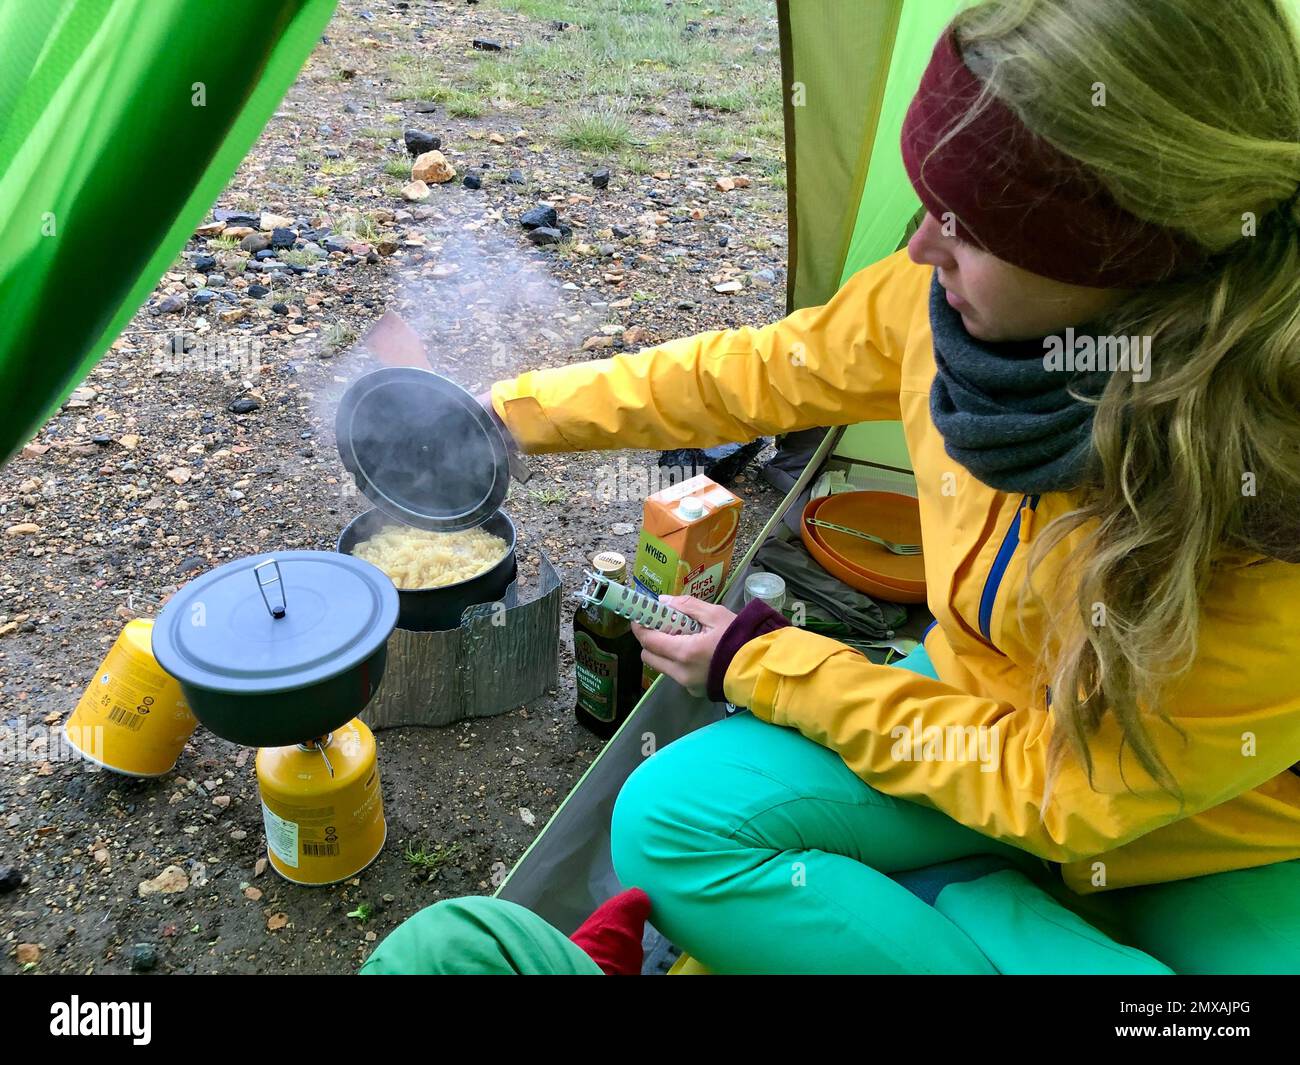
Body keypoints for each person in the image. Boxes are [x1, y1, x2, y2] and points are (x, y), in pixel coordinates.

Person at [363, 0, 1300, 975]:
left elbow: (1065, 789)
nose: (924, 249)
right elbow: (761, 371)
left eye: (970, 229)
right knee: (665, 823)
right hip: (983, 706)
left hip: (1205, 818)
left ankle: (983, 910)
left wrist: (761, 662)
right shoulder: (945, 303)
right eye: (932, 201)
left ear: (1129, 251)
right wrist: (509, 417)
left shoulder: (1269, 510)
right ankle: (977, 900)